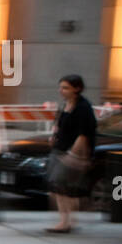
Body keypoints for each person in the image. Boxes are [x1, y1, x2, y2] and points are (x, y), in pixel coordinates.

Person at [45, 74, 96, 234]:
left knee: (59, 185)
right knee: (56, 187)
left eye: (65, 87)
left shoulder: (83, 107)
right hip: (59, 149)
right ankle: (72, 214)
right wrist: (54, 135)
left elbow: (84, 134)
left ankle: (65, 222)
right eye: (60, 87)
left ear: (77, 88)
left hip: (72, 152)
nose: (61, 90)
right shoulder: (66, 104)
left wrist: (73, 155)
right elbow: (59, 124)